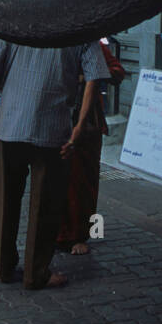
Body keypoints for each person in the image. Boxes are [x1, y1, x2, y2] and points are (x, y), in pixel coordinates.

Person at [0, 0, 106, 290]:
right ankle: (36, 272)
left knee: (6, 199)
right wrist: (79, 125)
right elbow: (95, 79)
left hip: (12, 125)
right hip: (53, 132)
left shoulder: (20, 20)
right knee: (46, 204)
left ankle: (3, 266)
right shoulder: (81, 28)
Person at [56, 40, 126, 255]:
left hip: (86, 124)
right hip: (56, 118)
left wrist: (89, 76)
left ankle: (79, 234)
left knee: (83, 181)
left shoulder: (91, 44)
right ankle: (59, 232)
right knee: (56, 180)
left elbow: (117, 72)